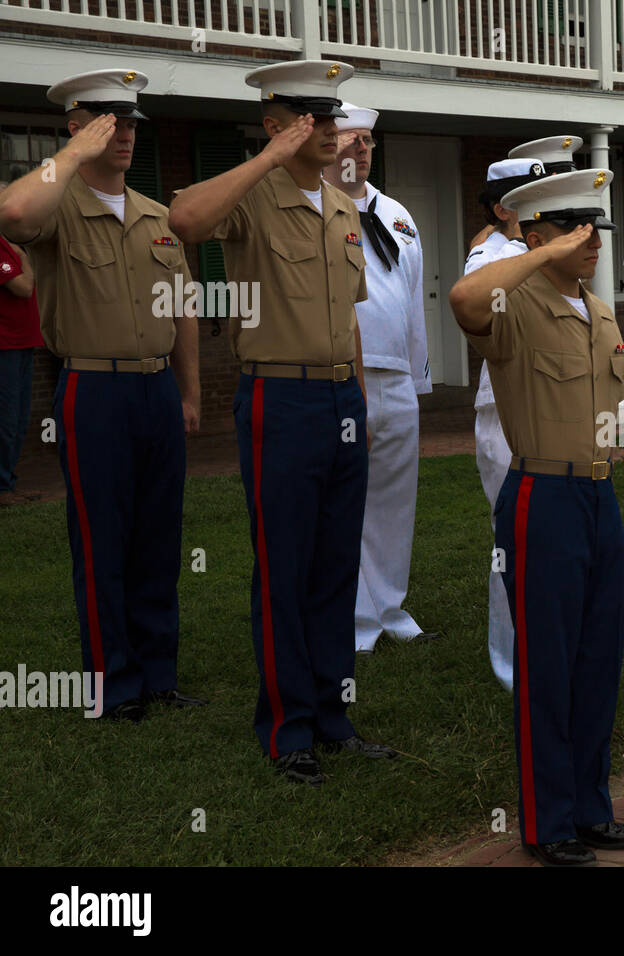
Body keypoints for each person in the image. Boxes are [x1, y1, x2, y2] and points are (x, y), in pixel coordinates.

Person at [169, 59, 395, 784]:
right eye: (313, 118)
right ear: (275, 124)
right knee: (286, 567)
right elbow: (184, 219)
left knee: (334, 567)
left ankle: (332, 715)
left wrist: (359, 401)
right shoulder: (254, 196)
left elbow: (350, 319)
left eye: (332, 118)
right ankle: (286, 726)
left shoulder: (341, 208)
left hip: (338, 401)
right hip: (279, 399)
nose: (331, 131)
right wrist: (264, 156)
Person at [448, 167, 624, 867]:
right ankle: (547, 821)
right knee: (549, 665)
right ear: (533, 236)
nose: (591, 242)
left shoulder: (597, 311)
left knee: (597, 662)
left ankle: (592, 808)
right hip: (541, 498)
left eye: (596, 230)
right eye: (572, 230)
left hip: (596, 498)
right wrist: (535, 253)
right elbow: (462, 297)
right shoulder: (516, 302)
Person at [0, 69, 203, 721]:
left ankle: (158, 674)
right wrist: (71, 154)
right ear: (79, 126)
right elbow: (12, 213)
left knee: (158, 540)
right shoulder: (59, 207)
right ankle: (113, 686)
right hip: (93, 388)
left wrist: (189, 392)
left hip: (156, 391)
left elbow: (185, 311)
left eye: (131, 123)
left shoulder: (156, 217)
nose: (124, 135)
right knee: (101, 540)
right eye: (108, 122)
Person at [323, 103, 434, 654]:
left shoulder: (397, 214)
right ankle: (356, 617)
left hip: (395, 376)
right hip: (343, 374)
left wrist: (418, 378)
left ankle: (389, 605)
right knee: (350, 498)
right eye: (349, 140)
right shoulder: (316, 208)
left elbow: (412, 301)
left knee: (395, 497)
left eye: (367, 141)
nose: (360, 150)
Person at [469, 143, 575, 691]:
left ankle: (544, 647)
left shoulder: (539, 249)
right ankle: (510, 660)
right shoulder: (490, 257)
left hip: (551, 404)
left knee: (549, 536)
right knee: (511, 537)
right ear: (501, 208)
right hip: (505, 407)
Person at [0, 220, 40, 506]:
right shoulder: (5, 249)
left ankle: (7, 482)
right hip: (5, 346)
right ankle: (3, 487)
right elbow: (24, 286)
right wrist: (25, 256)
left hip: (23, 343)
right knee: (7, 420)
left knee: (19, 418)